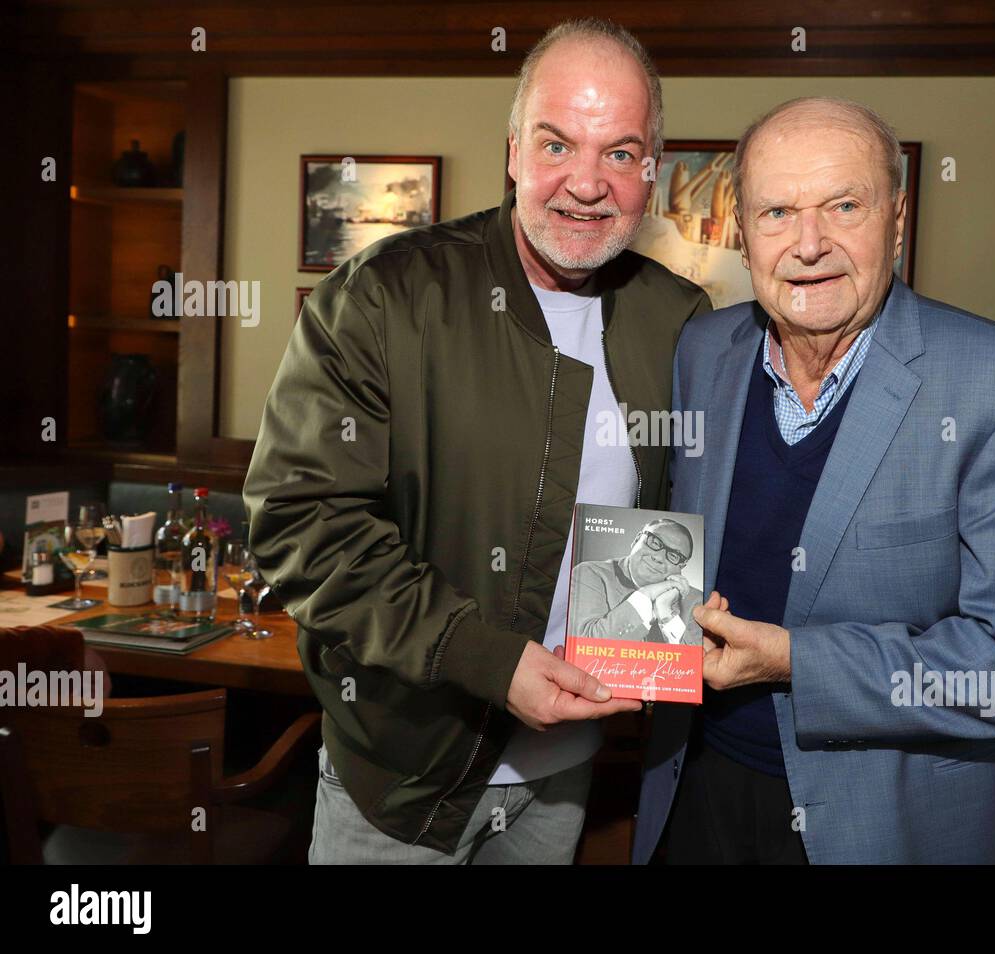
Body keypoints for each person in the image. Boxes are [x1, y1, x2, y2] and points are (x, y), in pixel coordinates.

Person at [244, 18, 710, 865]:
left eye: (619, 153)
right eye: (557, 143)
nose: (585, 184)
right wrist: (487, 660)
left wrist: (659, 651)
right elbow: (300, 524)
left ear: (652, 170)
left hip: (566, 779)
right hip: (400, 783)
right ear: (512, 150)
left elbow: (673, 514)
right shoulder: (385, 295)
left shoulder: (679, 320)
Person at [634, 96, 995, 864]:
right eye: (777, 212)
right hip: (698, 788)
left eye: (845, 205)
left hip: (893, 821)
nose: (809, 244)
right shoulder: (703, 353)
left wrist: (793, 660)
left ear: (899, 217)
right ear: (743, 235)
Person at [569, 519, 704, 645]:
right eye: (655, 543)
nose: (658, 557)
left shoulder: (695, 600)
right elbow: (585, 646)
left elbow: (694, 664)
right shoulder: (590, 574)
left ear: (681, 566)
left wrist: (666, 613)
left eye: (673, 555)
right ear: (636, 540)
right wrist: (646, 595)